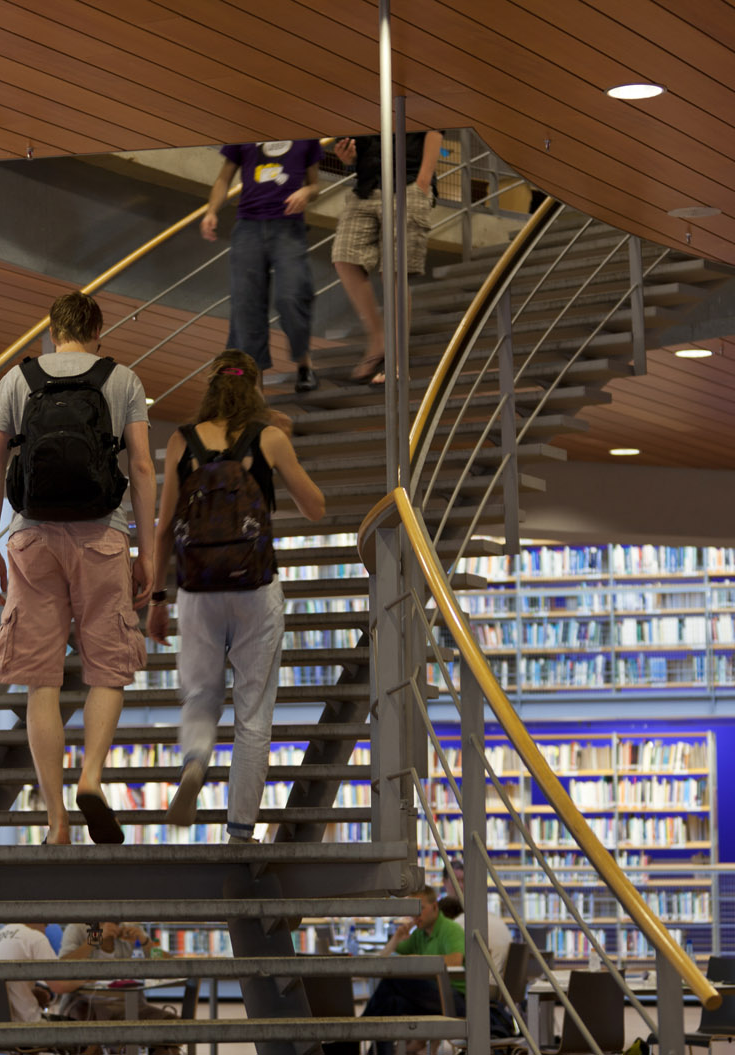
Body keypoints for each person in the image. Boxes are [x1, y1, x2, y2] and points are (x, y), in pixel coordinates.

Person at [0, 291, 156, 846]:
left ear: (51, 332)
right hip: (102, 535)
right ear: (98, 331)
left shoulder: (18, 380)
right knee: (108, 667)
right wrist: (146, 549)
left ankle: (56, 819)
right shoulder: (122, 378)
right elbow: (145, 466)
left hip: (31, 538)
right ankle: (92, 778)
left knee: (41, 681)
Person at [148, 351, 325, 842]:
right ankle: (240, 830)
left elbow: (164, 529)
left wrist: (157, 600)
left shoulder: (180, 441)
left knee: (201, 694)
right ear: (255, 389)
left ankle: (195, 763)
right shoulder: (269, 438)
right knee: (253, 712)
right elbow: (315, 507)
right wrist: (280, 437)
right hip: (255, 590)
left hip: (198, 590)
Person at [201, 140, 324, 393]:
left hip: (288, 227)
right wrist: (212, 211)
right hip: (248, 226)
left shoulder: (305, 136)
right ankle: (254, 392)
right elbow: (224, 178)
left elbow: (315, 185)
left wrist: (306, 192)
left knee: (292, 296)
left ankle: (304, 364)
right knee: (246, 306)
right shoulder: (246, 134)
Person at [330, 129, 444, 383]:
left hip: (409, 182)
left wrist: (422, 183)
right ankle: (377, 338)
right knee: (344, 256)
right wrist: (347, 157)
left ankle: (397, 359)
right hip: (367, 186)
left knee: (393, 271)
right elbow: (353, 153)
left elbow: (435, 128)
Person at [359, 886, 463, 1053]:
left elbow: (455, 960)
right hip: (430, 1000)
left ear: (435, 907)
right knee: (391, 1004)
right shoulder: (419, 935)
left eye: (420, 909)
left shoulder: (450, 929)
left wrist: (419, 961)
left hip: (453, 998)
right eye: (412, 910)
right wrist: (396, 938)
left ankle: (356, 1032)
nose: (416, 915)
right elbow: (381, 962)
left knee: (395, 977)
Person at [56, 922, 177, 1027]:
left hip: (127, 1004)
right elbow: (62, 967)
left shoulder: (129, 929)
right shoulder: (77, 929)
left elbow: (170, 964)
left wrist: (145, 942)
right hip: (86, 1005)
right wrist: (95, 939)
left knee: (171, 1024)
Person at [0, 922, 92, 1022]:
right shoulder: (35, 938)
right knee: (91, 1030)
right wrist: (86, 979)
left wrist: (29, 992)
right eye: (45, 925)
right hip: (27, 1027)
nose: (46, 930)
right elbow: (59, 985)